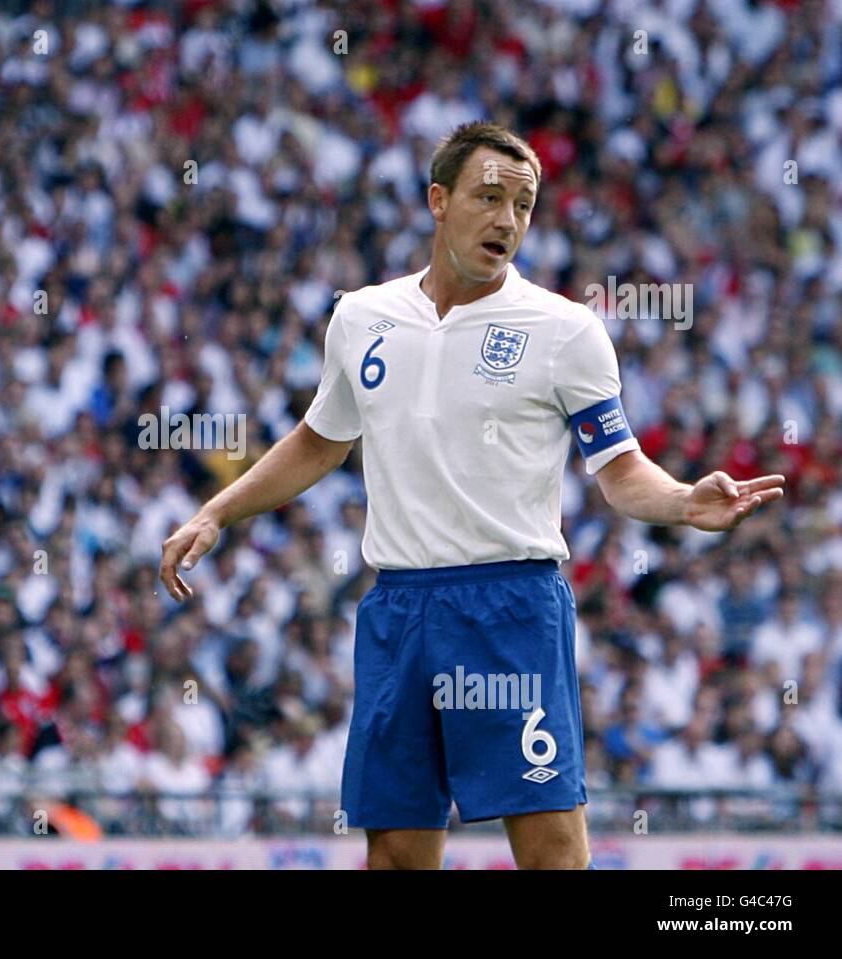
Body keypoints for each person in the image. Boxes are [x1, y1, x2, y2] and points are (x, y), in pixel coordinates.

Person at [159, 122, 785, 870]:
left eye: (523, 205)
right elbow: (321, 441)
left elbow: (618, 469)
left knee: (551, 848)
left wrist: (684, 499)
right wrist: (216, 509)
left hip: (511, 607)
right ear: (438, 199)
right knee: (394, 850)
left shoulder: (565, 331)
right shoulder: (362, 318)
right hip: (399, 609)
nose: (508, 220)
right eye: (490, 197)